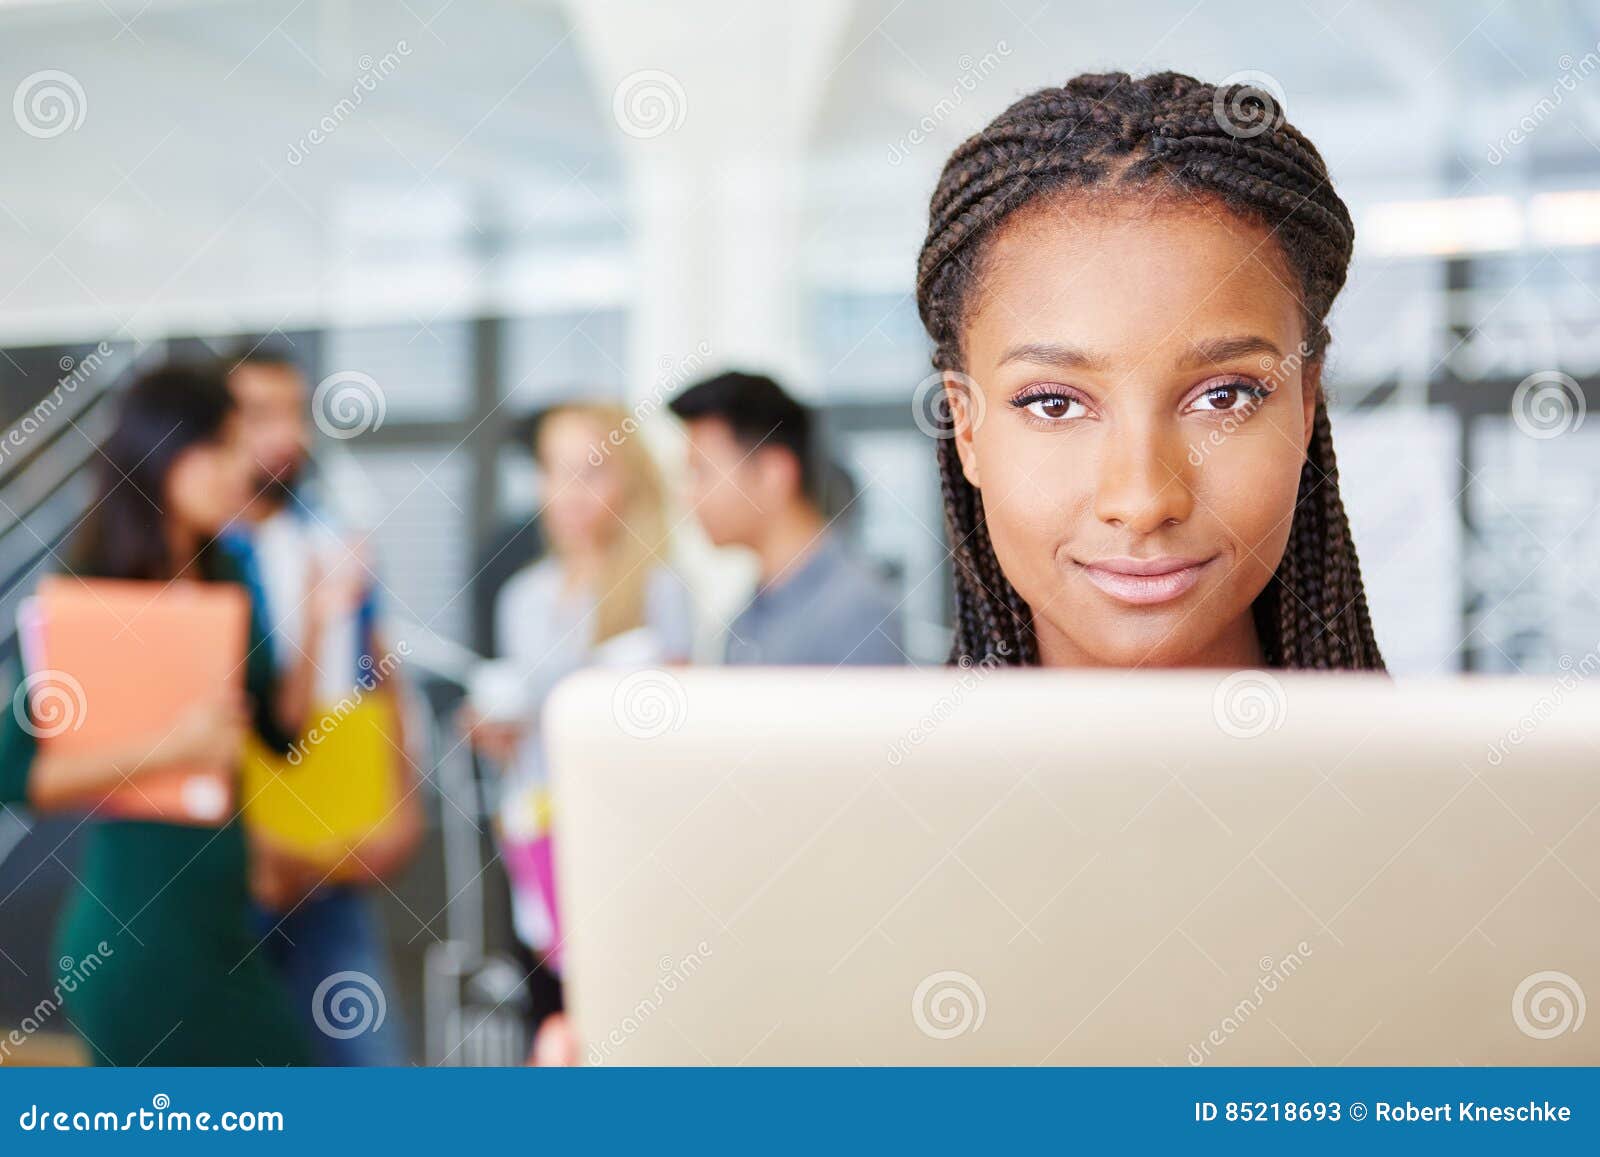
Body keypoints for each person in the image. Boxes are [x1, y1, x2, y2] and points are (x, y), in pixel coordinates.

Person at [914, 71, 1386, 673]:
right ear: (967, 428)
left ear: (1303, 402)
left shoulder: (1443, 771)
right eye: (1054, 404)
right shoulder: (857, 770)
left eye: (1223, 396)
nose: (1142, 501)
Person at [0, 363, 312, 1065]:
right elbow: (19, 775)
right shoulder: (84, 591)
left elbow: (281, 732)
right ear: (168, 450)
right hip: (136, 938)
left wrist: (321, 614)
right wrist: (174, 747)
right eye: (225, 445)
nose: (244, 466)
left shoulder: (226, 574)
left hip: (225, 924)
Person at [458, 401, 693, 1066]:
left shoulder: (659, 590)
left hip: (628, 850)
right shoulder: (522, 598)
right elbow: (523, 726)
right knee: (551, 1023)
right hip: (536, 846)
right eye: (555, 472)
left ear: (629, 481)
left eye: (591, 471)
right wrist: (493, 732)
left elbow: (674, 739)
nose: (570, 493)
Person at [225, 346, 423, 1066]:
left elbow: (381, 669)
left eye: (295, 412)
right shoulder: (200, 552)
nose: (287, 433)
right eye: (260, 415)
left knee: (366, 1067)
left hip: (333, 860)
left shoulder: (336, 541)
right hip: (231, 875)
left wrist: (404, 806)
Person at [667, 371, 905, 666]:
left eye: (702, 472)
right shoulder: (744, 623)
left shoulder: (856, 612)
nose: (689, 496)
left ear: (772, 475)